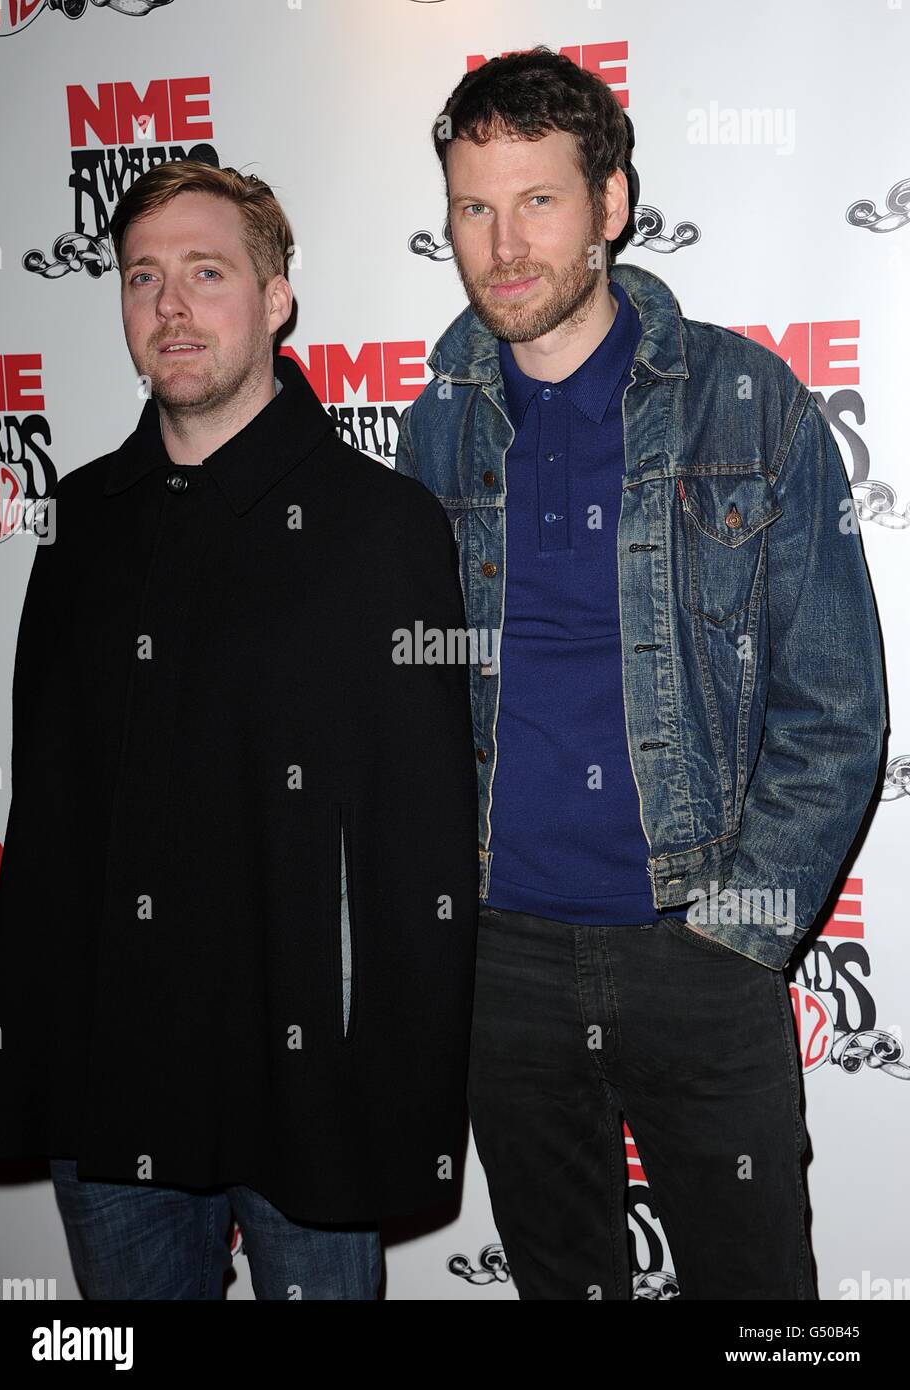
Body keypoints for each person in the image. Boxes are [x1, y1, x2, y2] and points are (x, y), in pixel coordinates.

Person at [395, 48, 887, 1300]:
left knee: (759, 1300)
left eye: (538, 200)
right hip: (500, 960)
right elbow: (410, 691)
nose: (502, 244)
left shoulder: (744, 400)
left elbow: (834, 707)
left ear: (612, 203)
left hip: (697, 951)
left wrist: (738, 935)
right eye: (473, 205)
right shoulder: (436, 423)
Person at [0, 160, 480, 1300]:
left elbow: (424, 836)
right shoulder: (81, 526)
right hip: (113, 1083)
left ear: (276, 297)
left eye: (206, 273)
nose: (170, 306)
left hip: (311, 1087)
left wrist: (393, 1090)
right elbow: (50, 815)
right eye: (142, 277)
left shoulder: (380, 527)